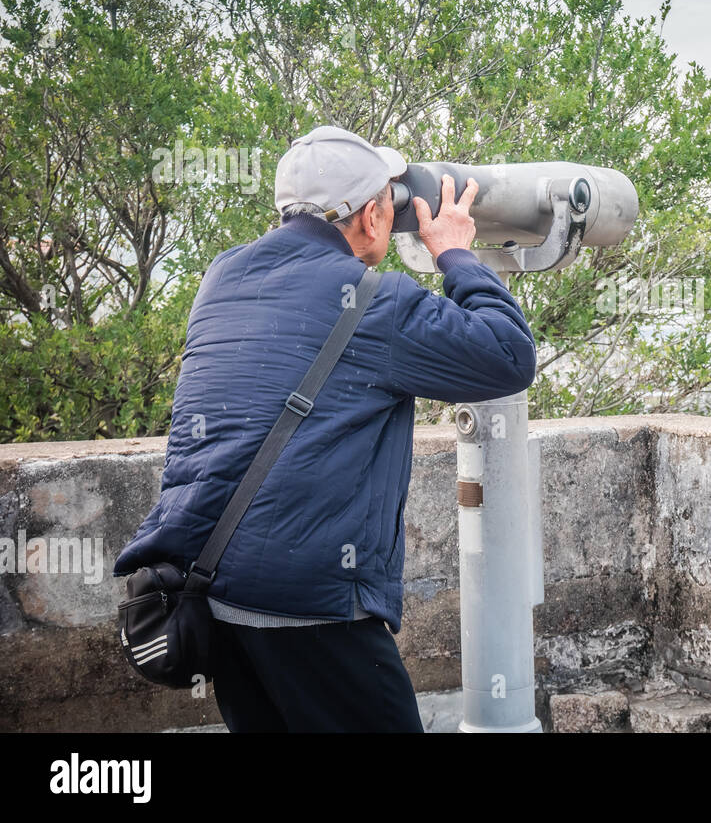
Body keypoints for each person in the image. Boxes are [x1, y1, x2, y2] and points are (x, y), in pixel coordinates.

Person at [113, 125, 536, 731]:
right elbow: (507, 357)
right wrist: (456, 254)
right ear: (371, 216)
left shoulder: (221, 277)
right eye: (388, 202)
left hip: (216, 593)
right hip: (313, 607)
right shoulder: (376, 302)